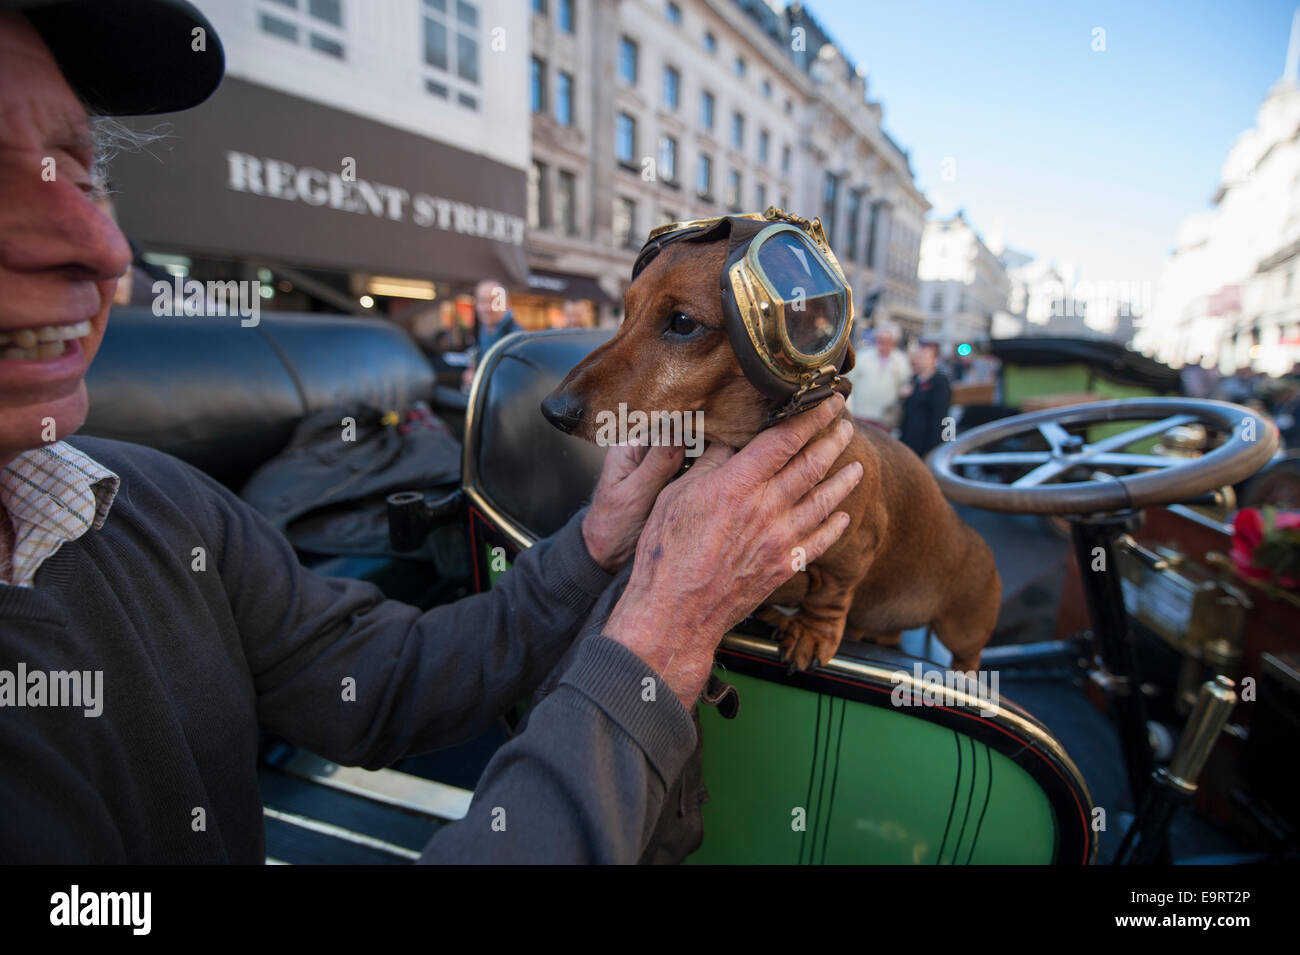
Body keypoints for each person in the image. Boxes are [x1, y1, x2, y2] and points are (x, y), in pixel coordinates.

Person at [0, 0, 860, 863]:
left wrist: (594, 546)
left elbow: (382, 679)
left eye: (79, 175)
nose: (103, 244)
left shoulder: (148, 503)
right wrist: (657, 639)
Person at [845, 321, 911, 431]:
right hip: (860, 414)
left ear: (893, 342)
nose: (881, 344)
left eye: (886, 341)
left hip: (884, 419)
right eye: (879, 340)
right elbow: (849, 381)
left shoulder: (901, 361)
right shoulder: (862, 356)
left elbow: (904, 386)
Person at [899, 338, 952, 459]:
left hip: (926, 442)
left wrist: (934, 447)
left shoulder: (939, 382)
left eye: (924, 357)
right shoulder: (914, 379)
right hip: (909, 438)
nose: (919, 360)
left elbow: (940, 415)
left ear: (934, 359)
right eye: (919, 357)